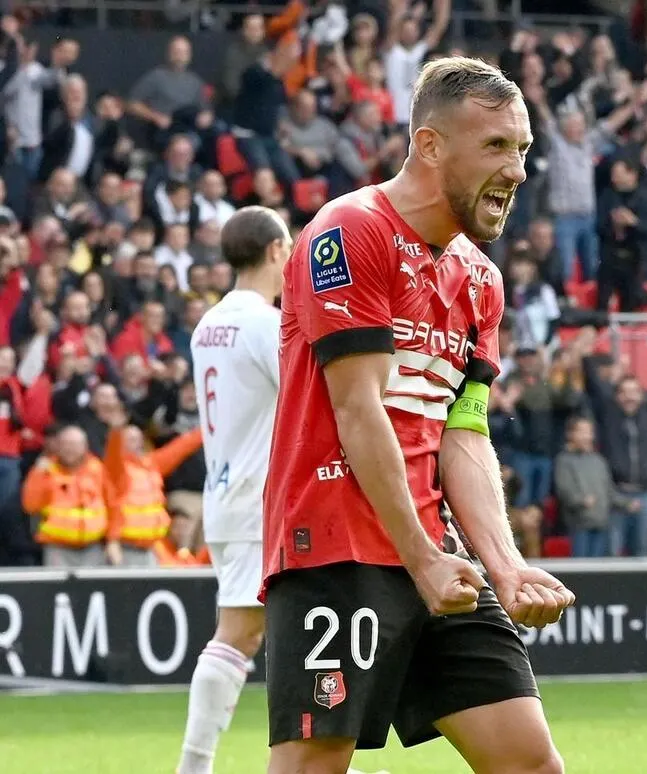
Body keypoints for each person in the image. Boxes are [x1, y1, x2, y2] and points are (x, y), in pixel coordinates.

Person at [261, 57, 574, 774]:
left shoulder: (480, 280)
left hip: (434, 555)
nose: (518, 171)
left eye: (522, 149)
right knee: (314, 766)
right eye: (496, 147)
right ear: (430, 146)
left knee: (530, 763)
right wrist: (423, 557)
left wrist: (502, 563)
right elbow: (358, 409)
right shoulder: (349, 233)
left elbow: (462, 430)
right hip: (336, 546)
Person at [178, 207, 290, 774]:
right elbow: (307, 400)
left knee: (288, 624)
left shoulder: (209, 324)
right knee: (241, 632)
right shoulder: (265, 324)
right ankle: (193, 766)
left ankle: (318, 758)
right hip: (259, 498)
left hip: (226, 491)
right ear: (275, 250)